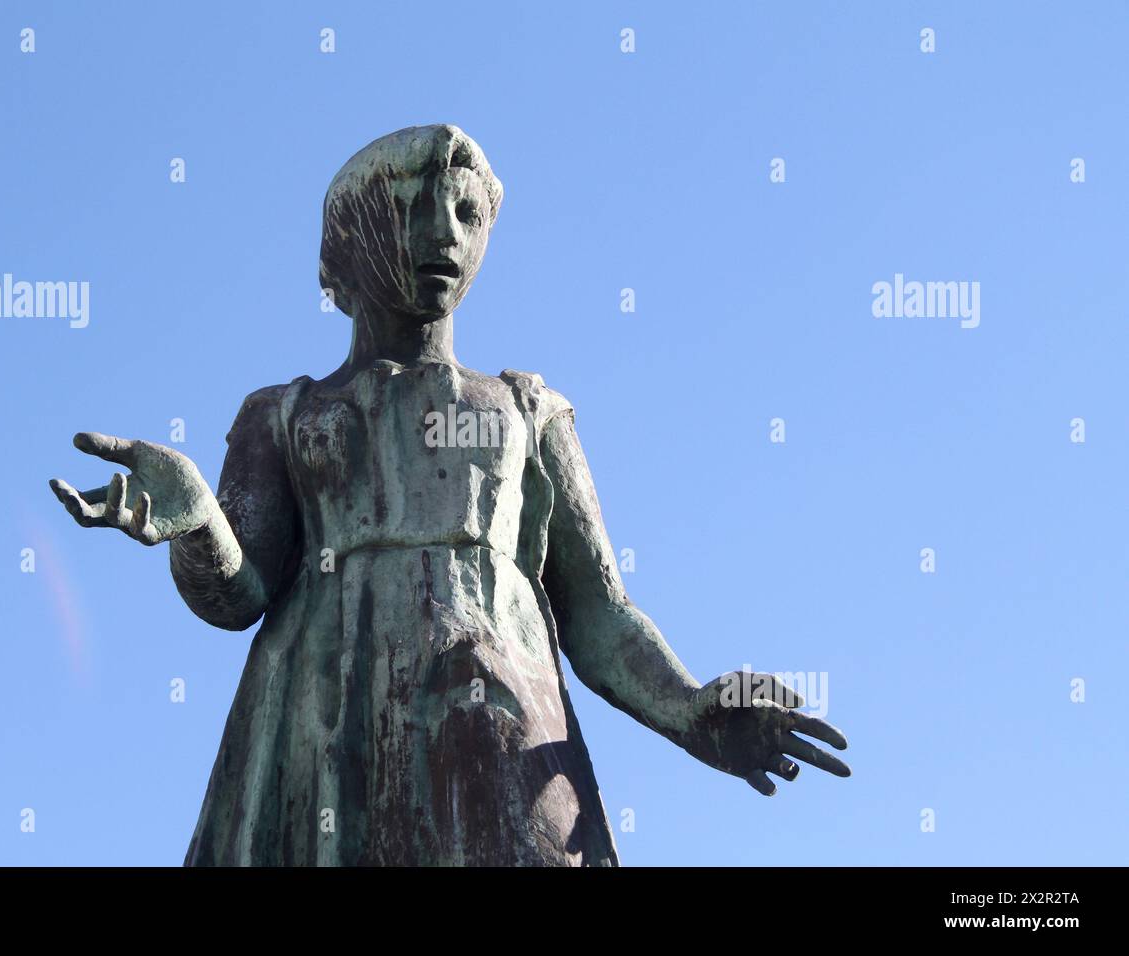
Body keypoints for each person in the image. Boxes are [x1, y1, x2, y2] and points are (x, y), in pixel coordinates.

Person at [49, 124, 850, 866]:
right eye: (411, 211)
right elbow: (238, 595)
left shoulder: (528, 413)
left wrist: (688, 708)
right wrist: (196, 519)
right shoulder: (284, 415)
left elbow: (598, 611)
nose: (444, 236)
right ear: (348, 242)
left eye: (467, 214)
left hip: (497, 709)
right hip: (323, 721)